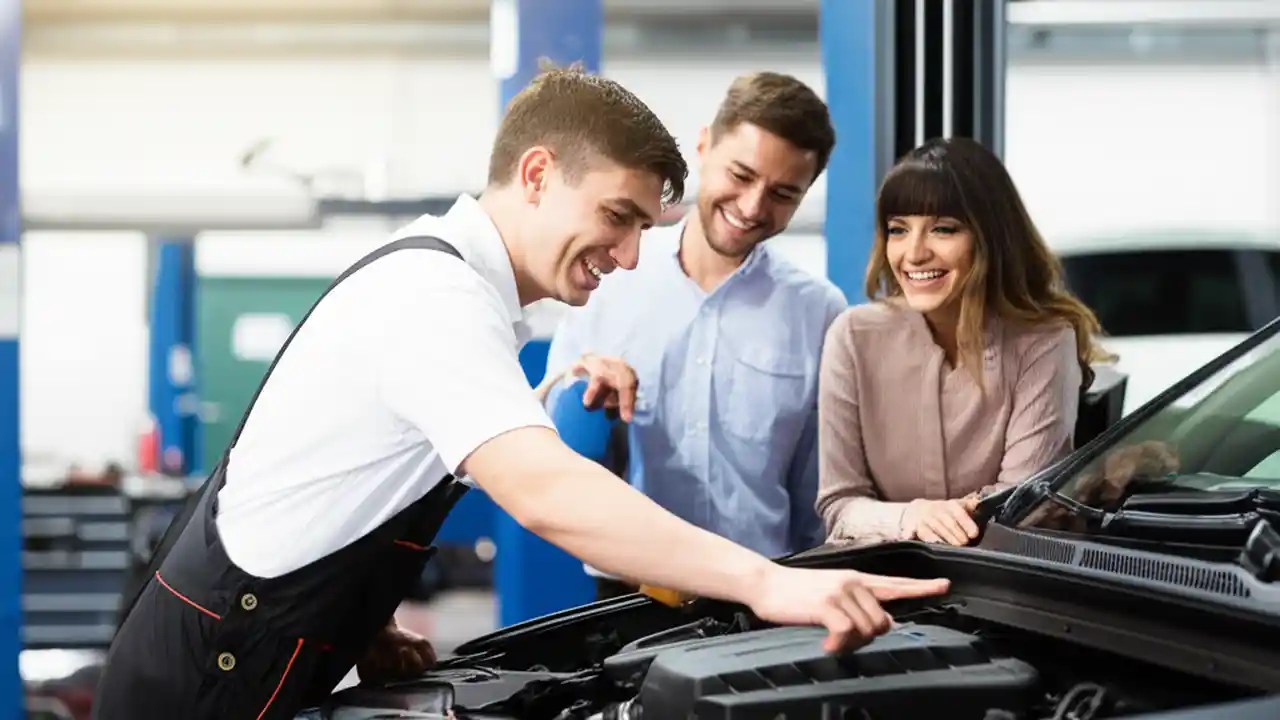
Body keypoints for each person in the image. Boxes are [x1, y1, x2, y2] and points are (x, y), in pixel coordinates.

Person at [92, 67, 949, 720]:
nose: (625, 257)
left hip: (252, 647)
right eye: (617, 218)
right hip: (211, 676)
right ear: (537, 173)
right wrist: (767, 584)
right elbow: (544, 490)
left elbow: (339, 482)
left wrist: (356, 619)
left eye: (641, 231)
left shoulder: (458, 288)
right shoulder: (437, 300)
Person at [539, 71, 847, 600]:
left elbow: (814, 494)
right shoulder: (611, 275)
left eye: (782, 193)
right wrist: (578, 386)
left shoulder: (818, 312)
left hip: (762, 596)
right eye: (741, 174)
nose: (752, 206)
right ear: (704, 146)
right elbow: (542, 435)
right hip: (629, 596)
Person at [816, 136, 1111, 548]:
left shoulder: (1044, 341)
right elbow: (839, 504)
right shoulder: (852, 336)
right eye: (898, 230)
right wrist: (912, 517)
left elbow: (1021, 506)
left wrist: (903, 517)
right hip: (873, 581)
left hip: (995, 580)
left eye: (943, 229)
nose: (914, 253)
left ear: (990, 237)